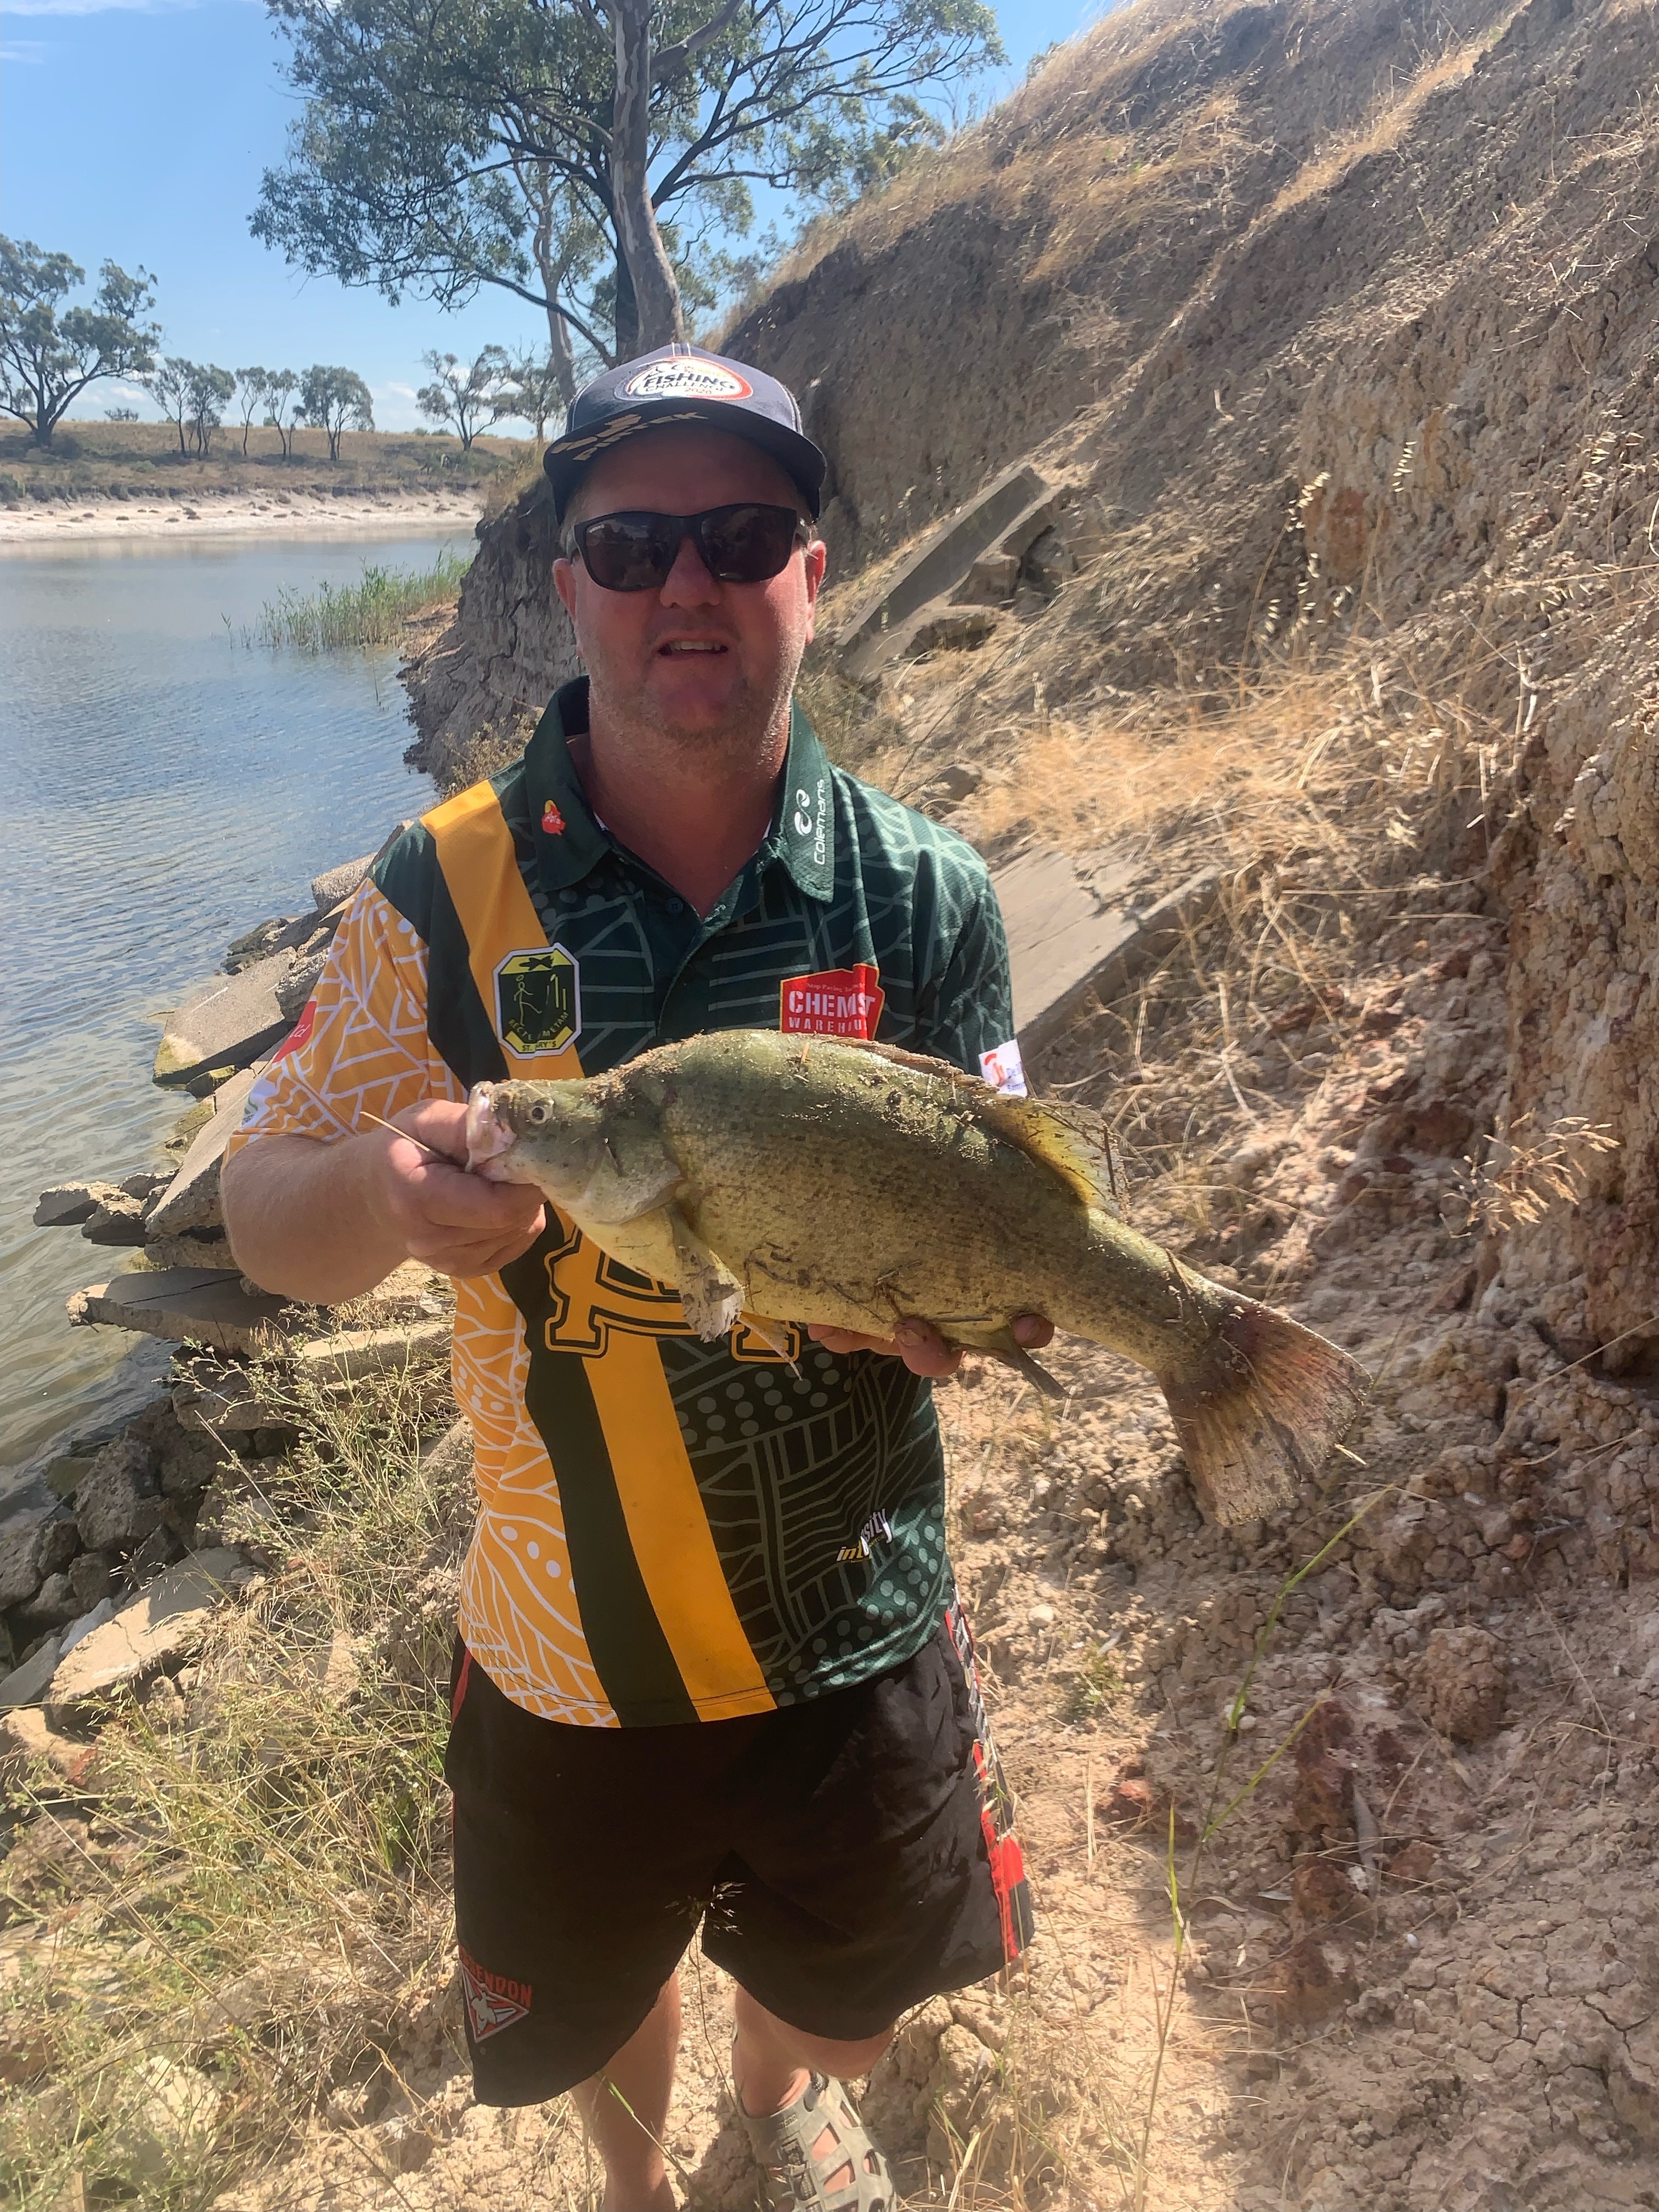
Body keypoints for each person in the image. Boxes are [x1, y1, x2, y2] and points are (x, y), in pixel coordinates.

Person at [221, 343, 1048, 2212]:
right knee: (591, 2002)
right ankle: (635, 2180)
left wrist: (984, 1312)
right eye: (636, 538)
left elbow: (1006, 1202)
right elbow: (265, 1211)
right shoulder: (430, 893)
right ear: (568, 578)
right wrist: (378, 1187)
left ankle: (782, 2107)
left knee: (845, 1989)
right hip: (562, 1651)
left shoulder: (928, 897)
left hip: (858, 1614)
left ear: (811, 578)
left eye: (744, 533)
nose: (690, 581)